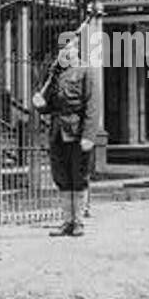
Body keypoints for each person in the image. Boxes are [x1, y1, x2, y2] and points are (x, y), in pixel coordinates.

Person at [32, 32, 100, 237]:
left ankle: (78, 222)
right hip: (58, 132)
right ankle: (67, 221)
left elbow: (92, 106)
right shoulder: (56, 75)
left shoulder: (86, 71)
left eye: (69, 48)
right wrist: (41, 106)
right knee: (61, 176)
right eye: (62, 49)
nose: (65, 52)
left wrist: (89, 135)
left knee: (78, 176)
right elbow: (52, 106)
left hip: (78, 132)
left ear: (76, 49)